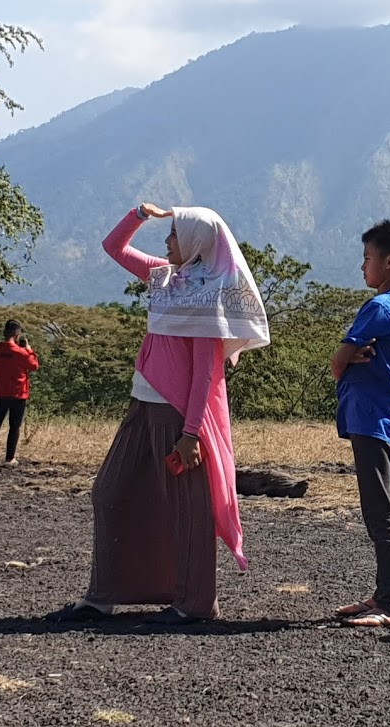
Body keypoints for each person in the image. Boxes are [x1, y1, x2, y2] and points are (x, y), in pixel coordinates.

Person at [47, 202, 269, 625]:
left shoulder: (209, 296)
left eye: (175, 235)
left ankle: (195, 603)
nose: (167, 242)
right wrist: (138, 214)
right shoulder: (165, 279)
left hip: (177, 414)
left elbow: (206, 373)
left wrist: (190, 434)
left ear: (195, 243)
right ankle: (104, 594)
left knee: (188, 509)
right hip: (141, 402)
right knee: (109, 491)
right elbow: (114, 247)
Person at [331, 220, 390, 628]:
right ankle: (383, 594)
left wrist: (347, 357)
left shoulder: (380, 308)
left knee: (379, 510)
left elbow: (336, 362)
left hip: (372, 417)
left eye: (367, 258)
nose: (362, 266)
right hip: (374, 416)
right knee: (376, 507)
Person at [0, 320, 39, 465]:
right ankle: (10, 458)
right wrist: (29, 349)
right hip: (18, 393)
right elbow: (33, 365)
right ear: (17, 334)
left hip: (1, 392)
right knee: (14, 426)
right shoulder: (20, 352)